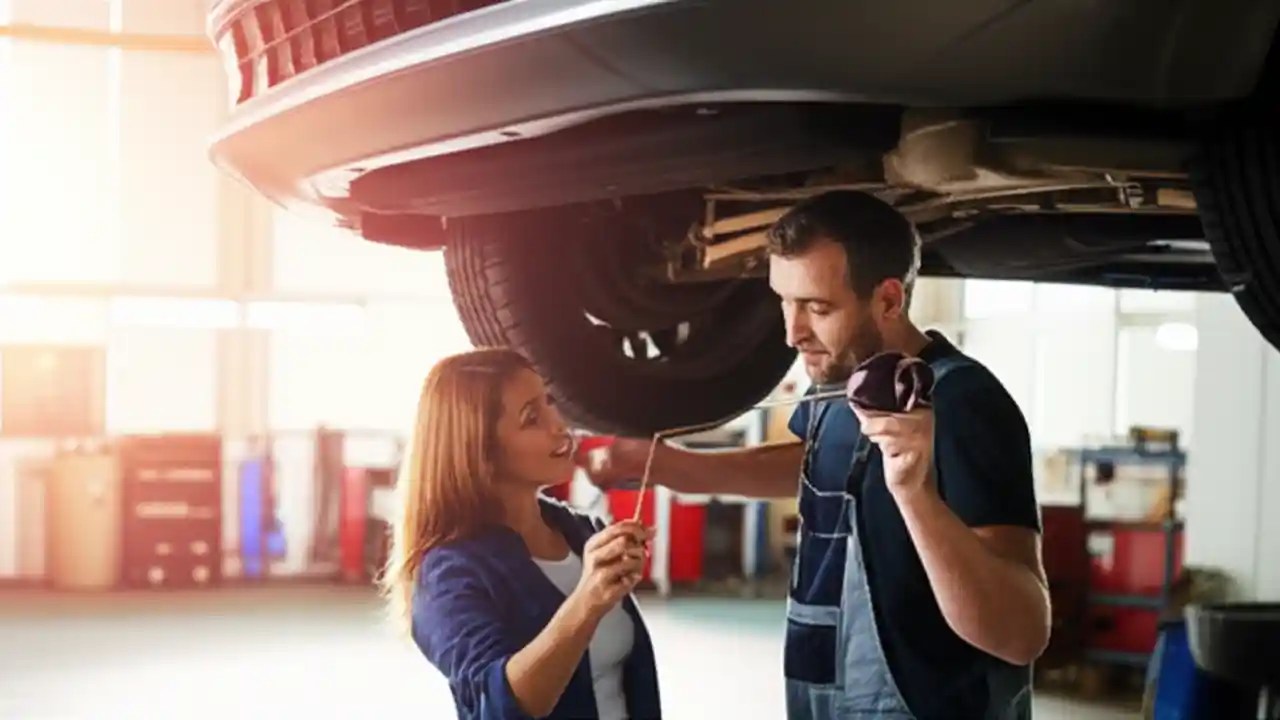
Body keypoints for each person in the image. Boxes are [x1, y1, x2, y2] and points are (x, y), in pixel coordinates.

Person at [580, 191, 1050, 720]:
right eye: (784, 301)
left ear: (889, 301)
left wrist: (914, 495)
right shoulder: (840, 380)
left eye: (818, 307)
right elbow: (816, 464)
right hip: (824, 692)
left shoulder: (964, 404)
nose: (792, 331)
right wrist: (666, 464)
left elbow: (1020, 633)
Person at [382, 347, 661, 720]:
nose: (559, 425)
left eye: (550, 403)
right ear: (480, 450)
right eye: (532, 418)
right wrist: (586, 602)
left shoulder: (581, 532)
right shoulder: (448, 574)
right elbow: (500, 707)